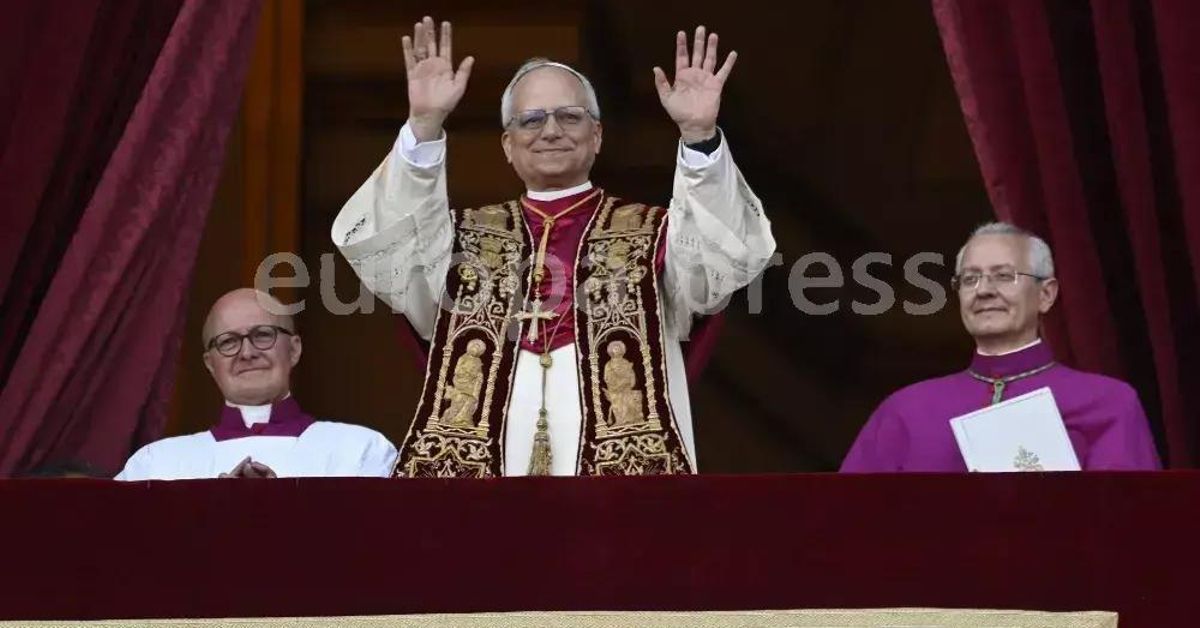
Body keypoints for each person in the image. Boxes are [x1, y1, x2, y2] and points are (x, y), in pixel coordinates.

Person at [331, 17, 775, 477]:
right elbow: (397, 263)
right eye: (531, 119)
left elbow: (718, 269)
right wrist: (423, 127)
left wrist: (699, 138)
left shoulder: (655, 235)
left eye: (570, 116)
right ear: (507, 144)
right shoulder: (459, 238)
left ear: (597, 135)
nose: (550, 131)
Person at [840, 222, 1161, 472]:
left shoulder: (1108, 404)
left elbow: (1130, 527)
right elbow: (847, 519)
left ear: (1046, 295)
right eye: (969, 279)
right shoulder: (904, 411)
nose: (984, 291)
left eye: (1004, 276)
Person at [115, 289, 397, 480]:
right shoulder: (154, 465)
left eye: (263, 335)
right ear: (210, 363)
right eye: (228, 342)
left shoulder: (361, 451)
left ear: (294, 349)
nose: (247, 353)